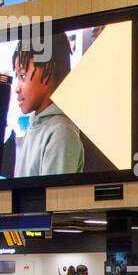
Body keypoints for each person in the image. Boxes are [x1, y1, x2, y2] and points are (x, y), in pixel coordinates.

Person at [13, 31, 84, 177]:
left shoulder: (61, 132)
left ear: (47, 72)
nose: (17, 88)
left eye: (23, 76)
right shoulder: (36, 126)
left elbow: (55, 199)